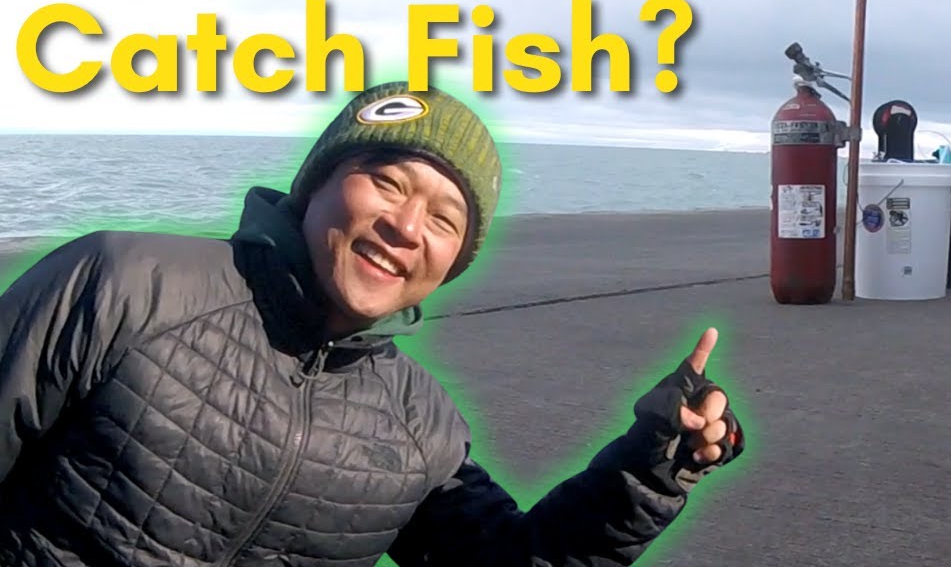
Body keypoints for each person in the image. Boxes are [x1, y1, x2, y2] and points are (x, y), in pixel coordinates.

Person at [0, 82, 745, 567]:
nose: (407, 227)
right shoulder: (124, 284)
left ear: (453, 261)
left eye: (445, 219)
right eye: (387, 182)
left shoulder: (420, 423)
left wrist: (651, 464)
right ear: (315, 186)